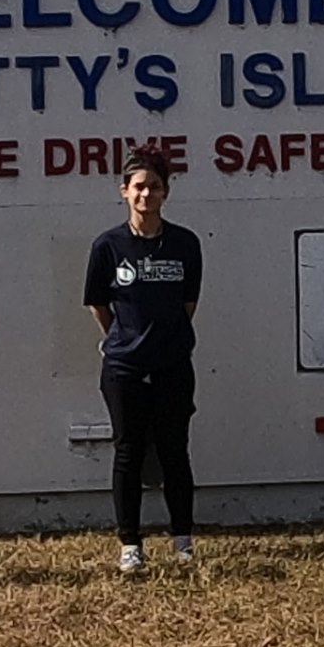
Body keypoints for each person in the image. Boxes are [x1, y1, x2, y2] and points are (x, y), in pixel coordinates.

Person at [84, 143, 204, 574]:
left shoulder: (186, 244)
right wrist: (123, 339)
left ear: (165, 192)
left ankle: (184, 542)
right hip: (124, 368)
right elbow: (99, 304)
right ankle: (130, 546)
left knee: (175, 451)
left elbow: (187, 304)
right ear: (124, 191)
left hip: (172, 364)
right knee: (128, 453)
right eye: (138, 187)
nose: (146, 195)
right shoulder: (108, 246)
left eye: (154, 187)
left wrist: (164, 340)